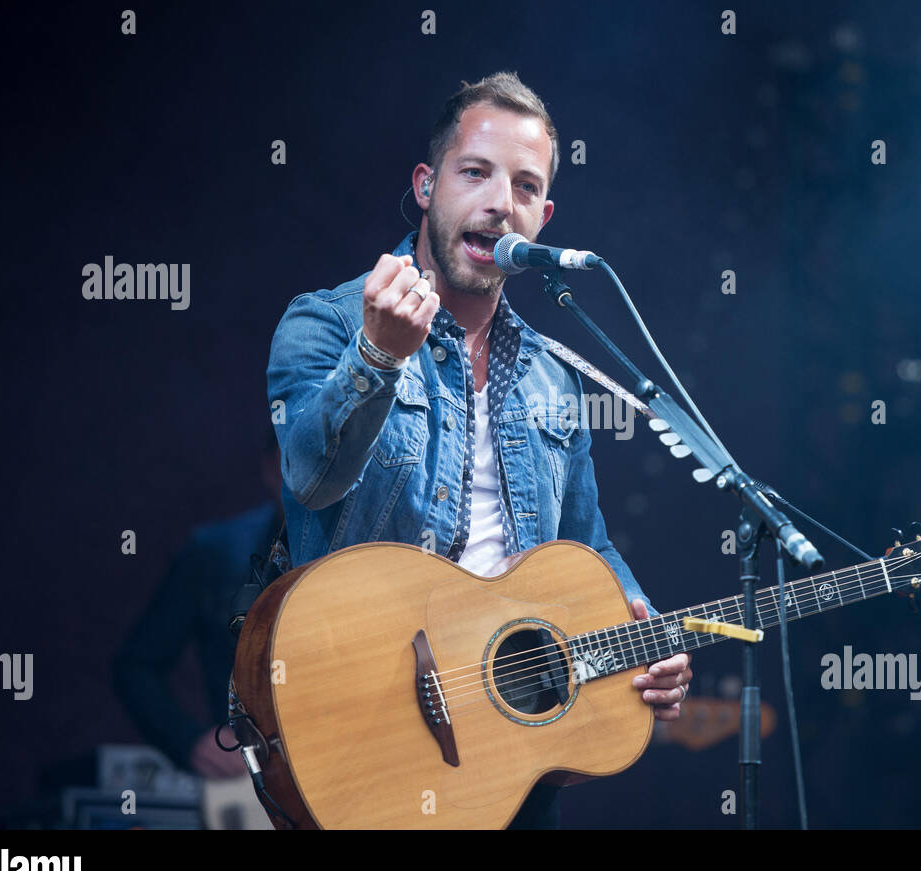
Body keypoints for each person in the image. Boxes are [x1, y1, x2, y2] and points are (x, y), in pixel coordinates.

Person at [266, 71, 691, 828]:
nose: (501, 201)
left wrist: (646, 629)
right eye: (476, 173)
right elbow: (311, 479)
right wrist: (377, 357)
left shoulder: (557, 374)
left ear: (544, 216)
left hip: (515, 735)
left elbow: (587, 545)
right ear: (427, 186)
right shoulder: (327, 322)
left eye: (526, 186)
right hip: (371, 727)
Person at [113, 431, 284, 781]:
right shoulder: (214, 552)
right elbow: (136, 666)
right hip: (249, 787)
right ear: (270, 467)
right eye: (300, 459)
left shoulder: (365, 556)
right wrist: (189, 741)